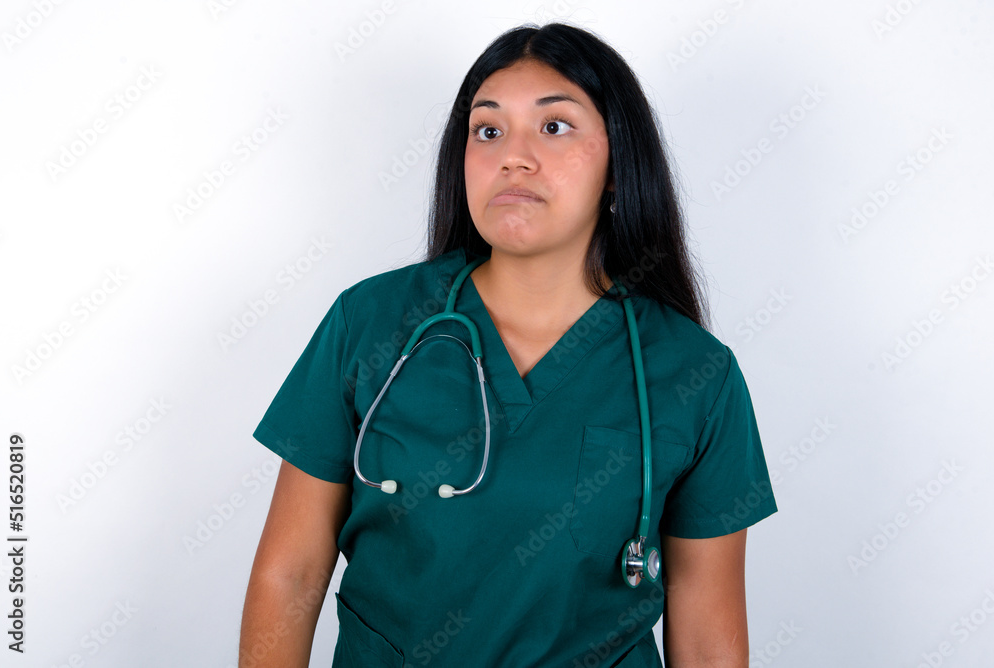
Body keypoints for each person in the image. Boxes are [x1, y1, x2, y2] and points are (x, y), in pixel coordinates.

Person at [239, 21, 777, 668]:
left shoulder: (695, 374)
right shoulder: (370, 323)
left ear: (617, 166)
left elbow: (709, 639)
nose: (513, 157)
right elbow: (290, 576)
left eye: (554, 126)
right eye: (488, 131)